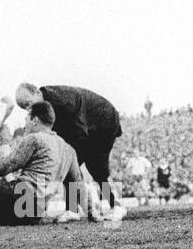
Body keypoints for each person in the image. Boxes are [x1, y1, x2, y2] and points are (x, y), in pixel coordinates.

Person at [13, 83, 124, 217]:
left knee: (96, 166)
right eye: (25, 107)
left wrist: (68, 158)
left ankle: (117, 205)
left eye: (28, 103)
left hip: (103, 121)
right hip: (87, 126)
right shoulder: (44, 105)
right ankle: (72, 209)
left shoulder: (63, 101)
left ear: (37, 93)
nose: (29, 109)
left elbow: (80, 131)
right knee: (68, 162)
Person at [0, 100, 82, 225]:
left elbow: (2, 168)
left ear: (35, 120)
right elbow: (76, 184)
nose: (25, 124)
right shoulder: (68, 149)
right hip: (37, 210)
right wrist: (75, 210)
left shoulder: (34, 138)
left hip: (15, 201)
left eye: (26, 119)